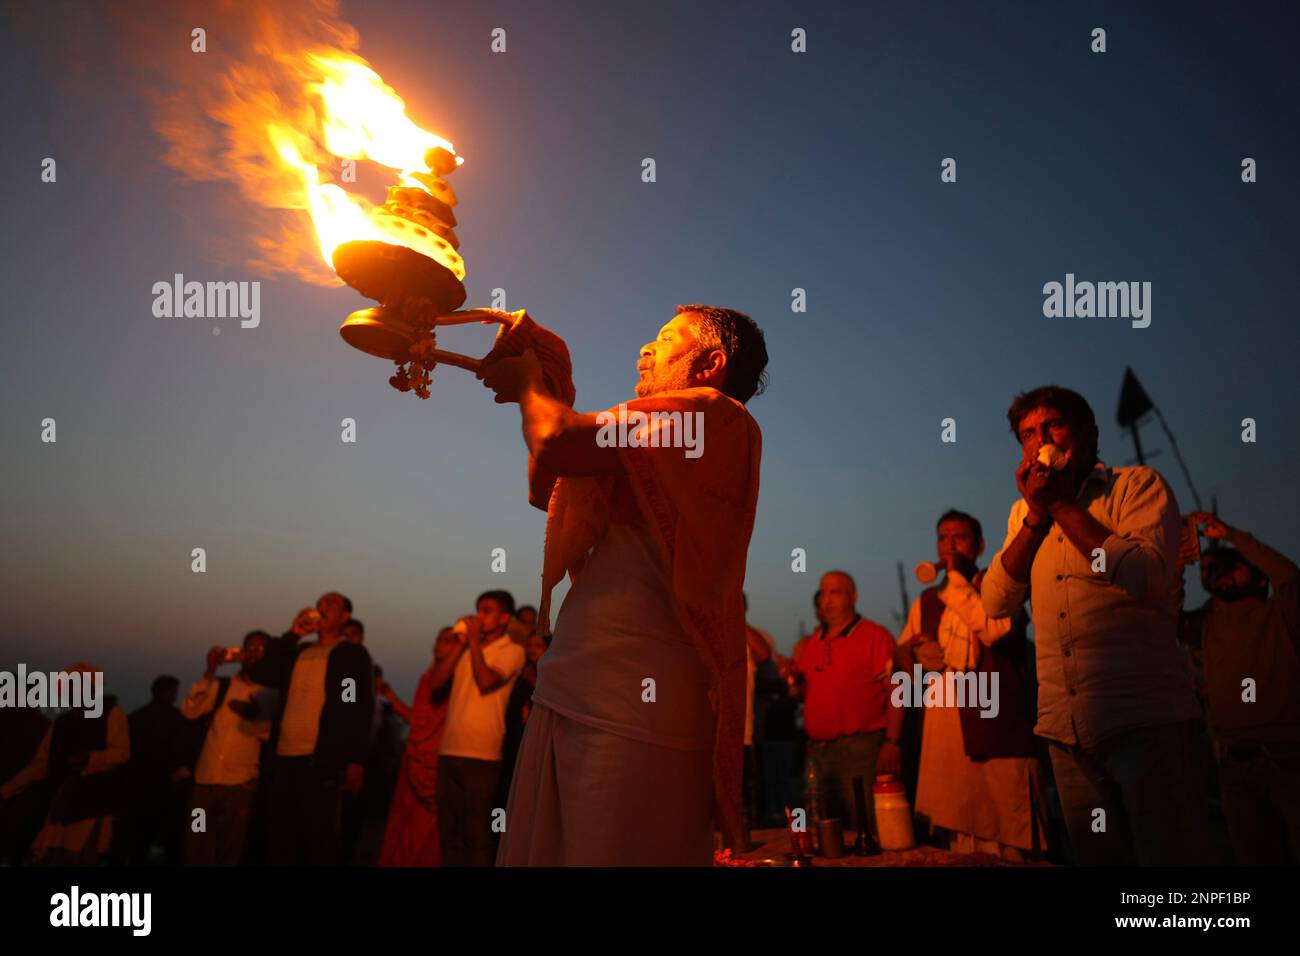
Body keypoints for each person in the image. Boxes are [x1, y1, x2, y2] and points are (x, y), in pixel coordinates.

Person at [480, 304, 766, 865]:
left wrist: (533, 386)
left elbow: (557, 442)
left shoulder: (713, 415)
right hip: (582, 683)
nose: (646, 349)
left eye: (665, 339)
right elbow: (550, 484)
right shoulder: (659, 436)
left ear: (710, 364)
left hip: (634, 704)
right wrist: (551, 377)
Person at [981, 385, 1214, 865]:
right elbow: (996, 600)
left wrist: (1064, 506)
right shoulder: (1023, 513)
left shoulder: (1137, 487)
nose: (1041, 440)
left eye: (1053, 426)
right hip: (1065, 733)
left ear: (1087, 432)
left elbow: (1146, 575)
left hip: (1146, 721)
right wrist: (1036, 517)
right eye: (1028, 434)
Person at [896, 509, 1046, 859]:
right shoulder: (927, 600)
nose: (949, 546)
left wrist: (956, 582)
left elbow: (994, 631)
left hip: (995, 720)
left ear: (978, 546)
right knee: (957, 828)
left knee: (1007, 830)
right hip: (944, 729)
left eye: (958, 538)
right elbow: (905, 665)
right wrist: (906, 654)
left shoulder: (1000, 586)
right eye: (943, 538)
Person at [1179, 512, 1300, 865]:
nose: (1220, 572)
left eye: (1233, 565)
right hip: (1234, 765)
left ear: (1261, 580)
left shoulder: (1282, 613)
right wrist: (1177, 564)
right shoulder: (1205, 626)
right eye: (1213, 569)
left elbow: (1291, 578)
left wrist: (1234, 536)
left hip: (1290, 758)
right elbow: (1163, 614)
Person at [251, 592, 375, 866]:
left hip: (320, 759)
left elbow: (356, 706)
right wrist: (293, 634)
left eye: (331, 604)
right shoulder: (298, 652)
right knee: (279, 838)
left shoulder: (351, 655)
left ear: (345, 617)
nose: (322, 608)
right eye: (320, 604)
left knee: (318, 839)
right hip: (283, 756)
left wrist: (355, 760)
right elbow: (261, 672)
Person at [792, 571, 904, 839]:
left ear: (853, 597)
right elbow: (808, 693)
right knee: (826, 832)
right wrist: (795, 686)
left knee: (864, 830)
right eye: (824, 593)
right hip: (817, 752)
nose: (827, 600)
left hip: (860, 749)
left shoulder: (874, 636)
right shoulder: (812, 643)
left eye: (836, 592)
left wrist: (892, 741)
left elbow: (898, 691)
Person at [431, 590, 526, 866]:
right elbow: (436, 683)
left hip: (482, 757)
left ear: (504, 618)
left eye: (487, 611)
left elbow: (486, 681)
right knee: (450, 836)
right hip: (449, 751)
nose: (479, 616)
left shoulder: (513, 651)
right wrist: (461, 645)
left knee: (478, 837)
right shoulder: (465, 650)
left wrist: (472, 642)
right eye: (478, 609)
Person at [0, 663, 129, 865]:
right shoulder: (62, 722)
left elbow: (121, 752)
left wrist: (88, 759)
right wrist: (6, 791)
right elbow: (40, 764)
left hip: (92, 804)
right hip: (61, 802)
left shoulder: (112, 714)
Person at [181, 632, 278, 866]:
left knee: (229, 848)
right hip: (205, 782)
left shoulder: (272, 694)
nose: (255, 653)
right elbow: (189, 711)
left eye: (261, 649)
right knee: (195, 844)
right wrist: (209, 671)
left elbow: (273, 737)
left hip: (240, 784)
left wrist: (253, 717)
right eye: (250, 648)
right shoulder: (221, 686)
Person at [378, 627, 459, 866]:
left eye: (448, 641)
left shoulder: (452, 681)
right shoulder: (429, 675)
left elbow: (424, 722)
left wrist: (390, 696)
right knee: (404, 824)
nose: (439, 645)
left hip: (434, 761)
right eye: (439, 639)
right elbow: (420, 721)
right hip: (415, 757)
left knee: (424, 833)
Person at [119, 674, 193, 865]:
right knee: (169, 840)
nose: (176, 694)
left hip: (139, 785)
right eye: (175, 691)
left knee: (139, 841)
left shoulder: (135, 718)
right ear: (167, 692)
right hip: (165, 786)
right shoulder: (176, 719)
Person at [741, 593, 775, 836]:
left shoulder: (751, 636)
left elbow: (763, 654)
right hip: (703, 733)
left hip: (742, 734)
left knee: (743, 798)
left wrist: (733, 616)